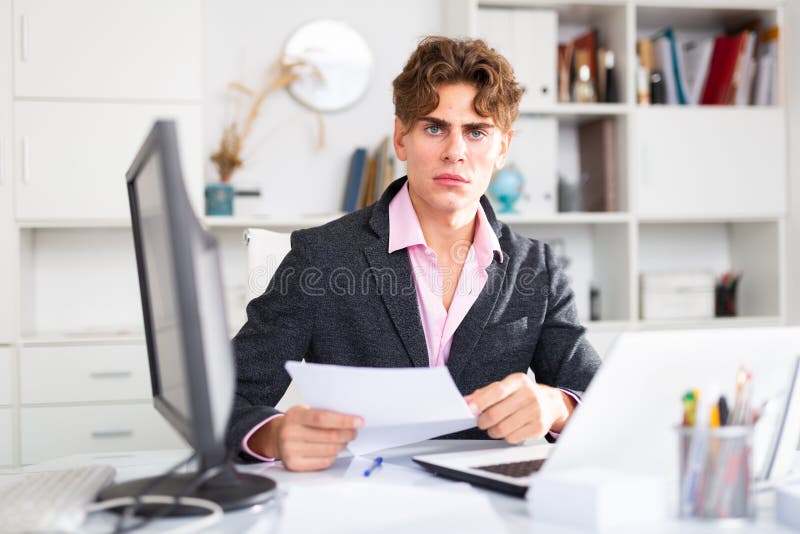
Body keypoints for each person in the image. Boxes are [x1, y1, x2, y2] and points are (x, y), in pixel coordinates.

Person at [228, 36, 601, 472]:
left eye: (476, 132)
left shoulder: (537, 269)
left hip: (486, 500)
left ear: (502, 147)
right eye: (434, 128)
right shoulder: (321, 258)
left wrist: (557, 405)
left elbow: (600, 397)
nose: (455, 152)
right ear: (401, 139)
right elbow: (224, 397)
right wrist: (273, 434)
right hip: (360, 493)